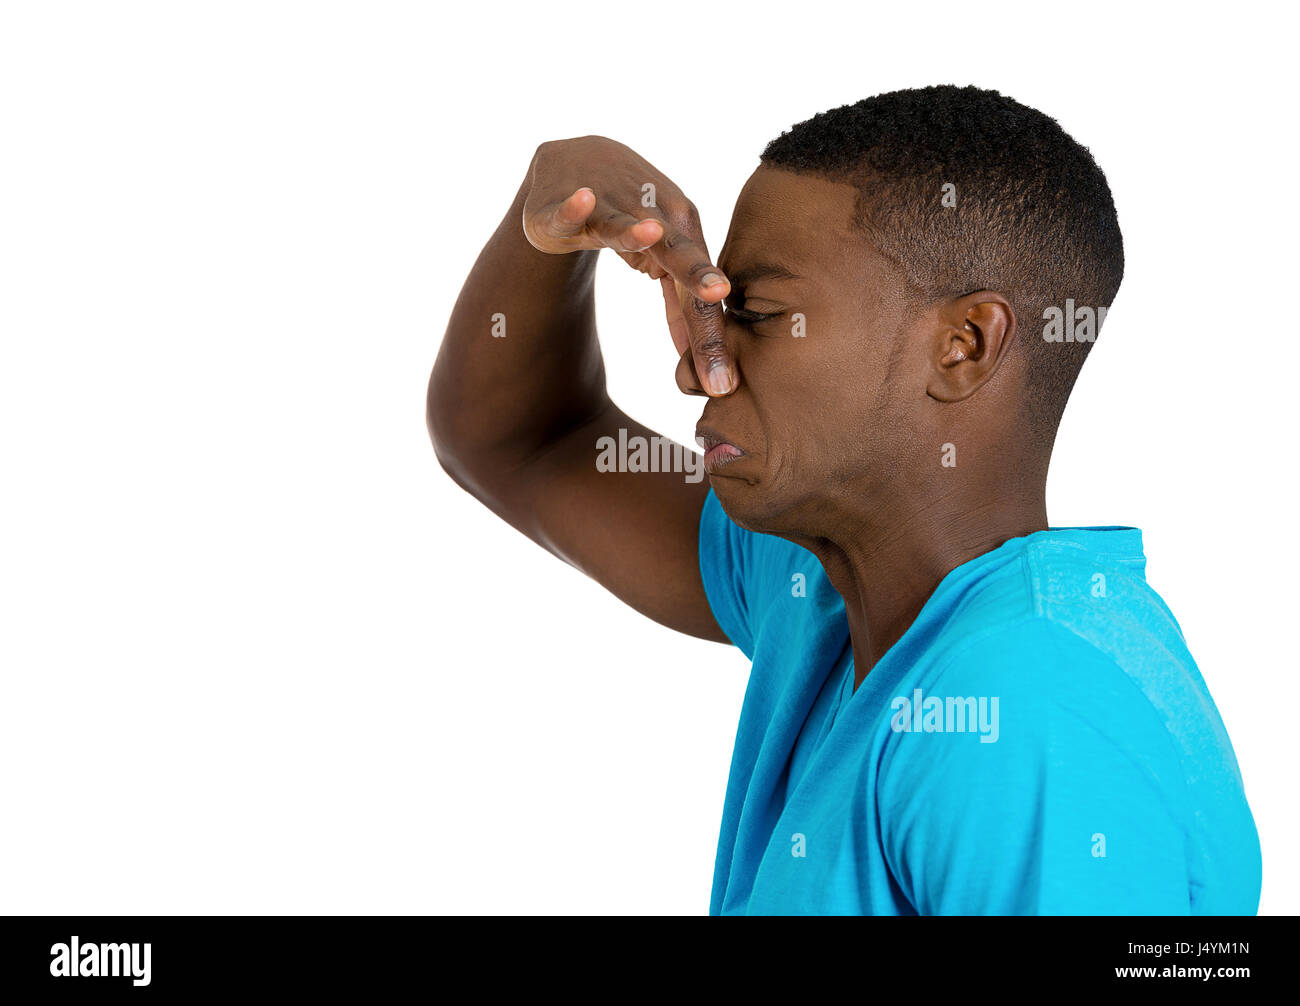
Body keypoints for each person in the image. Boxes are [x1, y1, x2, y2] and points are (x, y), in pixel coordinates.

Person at [427, 85, 1262, 915]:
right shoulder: (818, 590)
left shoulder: (1028, 711)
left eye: (755, 311)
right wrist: (552, 225)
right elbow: (522, 439)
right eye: (710, 311)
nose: (698, 366)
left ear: (963, 347)